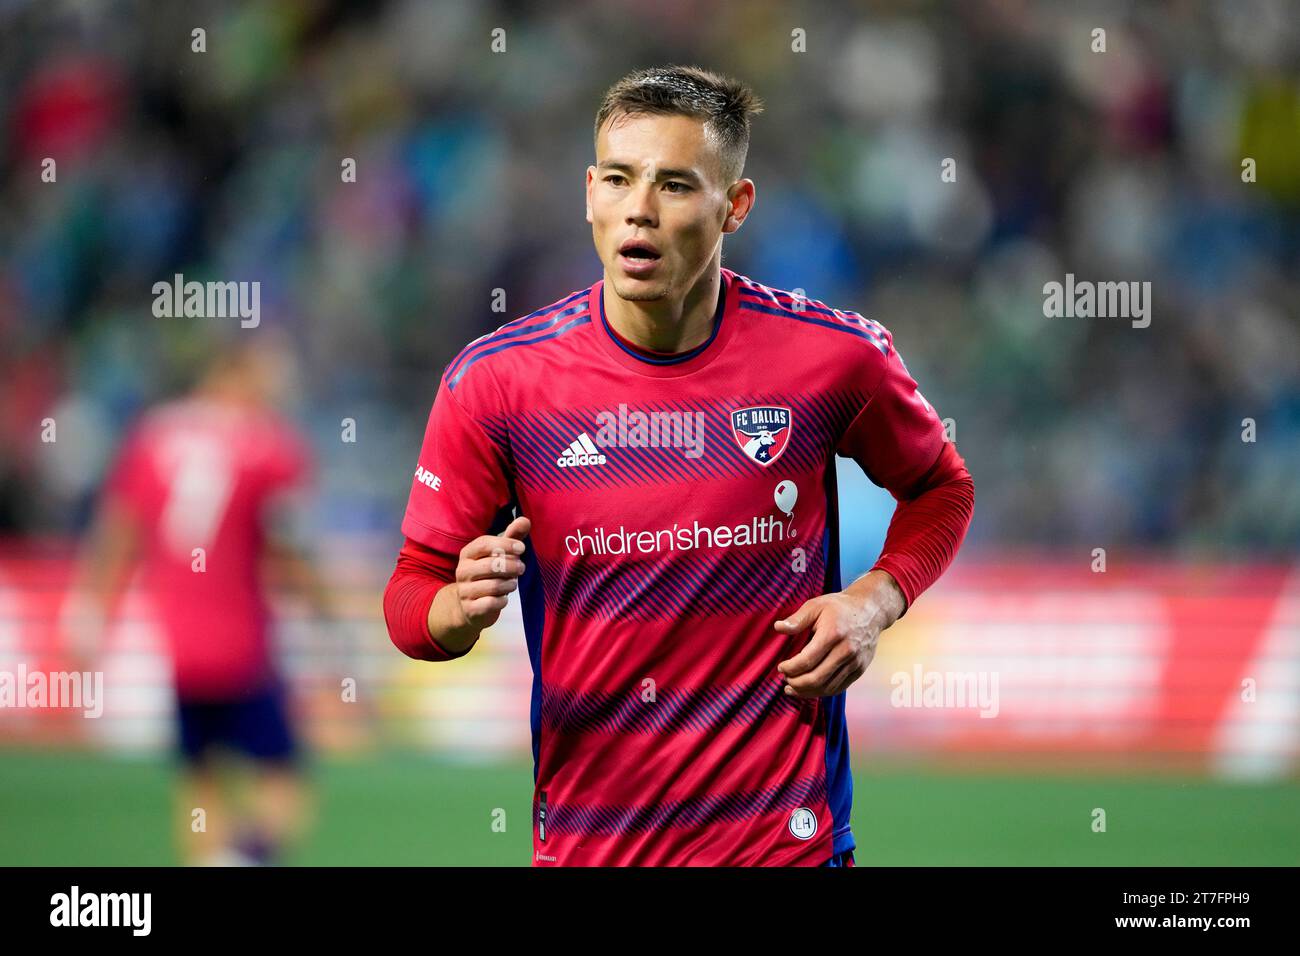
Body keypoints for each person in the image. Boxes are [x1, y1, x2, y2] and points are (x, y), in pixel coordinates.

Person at [384, 65, 975, 866]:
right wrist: (459, 609)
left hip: (784, 845)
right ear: (589, 191)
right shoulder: (496, 384)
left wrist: (874, 600)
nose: (640, 209)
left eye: (674, 185)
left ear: (734, 206)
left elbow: (941, 487)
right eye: (620, 180)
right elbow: (411, 599)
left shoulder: (833, 359)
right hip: (596, 849)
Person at [74, 333, 330, 865]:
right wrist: (324, 613)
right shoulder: (269, 446)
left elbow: (117, 531)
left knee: (199, 778)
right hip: (241, 642)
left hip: (176, 642)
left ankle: (214, 859)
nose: (275, 390)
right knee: (285, 779)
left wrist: (90, 612)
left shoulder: (153, 436)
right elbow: (291, 546)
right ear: (236, 374)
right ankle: (243, 857)